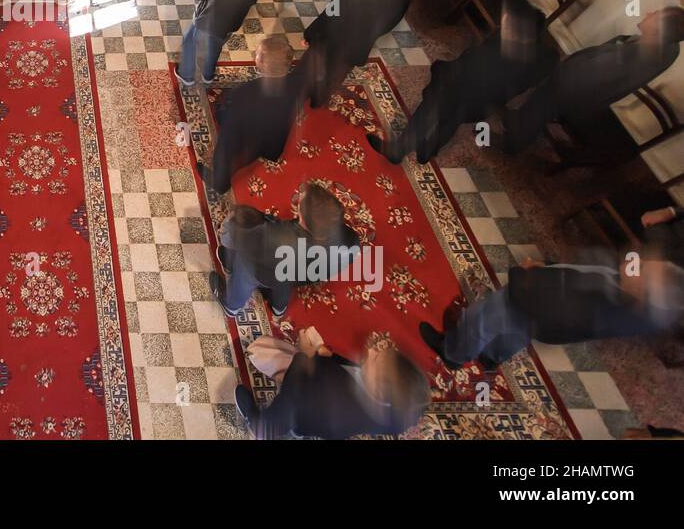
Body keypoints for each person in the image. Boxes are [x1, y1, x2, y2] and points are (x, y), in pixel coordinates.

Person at [368, 0, 556, 164]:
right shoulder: (542, 57)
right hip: (481, 94)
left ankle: (399, 150)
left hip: (468, 86)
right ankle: (429, 149)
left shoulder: (524, 52)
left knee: (432, 109)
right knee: (452, 118)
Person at [420, 255, 684, 371]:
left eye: (642, 269)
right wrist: (548, 265)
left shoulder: (610, 307)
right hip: (542, 314)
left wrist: (521, 276)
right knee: (517, 332)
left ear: (643, 296)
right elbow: (579, 273)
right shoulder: (630, 300)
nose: (636, 262)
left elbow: (547, 302)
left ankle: (453, 352)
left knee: (481, 318)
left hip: (532, 304)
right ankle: (491, 356)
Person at [503, 7, 684, 153]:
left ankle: (514, 140)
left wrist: (559, 70)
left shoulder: (640, 56)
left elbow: (590, 76)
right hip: (583, 86)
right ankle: (520, 121)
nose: (649, 13)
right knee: (541, 107)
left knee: (541, 106)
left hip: (573, 87)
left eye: (655, 15)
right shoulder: (669, 48)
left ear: (659, 29)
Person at [210, 183, 361, 318]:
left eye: (302, 200)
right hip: (299, 275)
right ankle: (278, 307)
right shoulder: (351, 241)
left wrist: (233, 224)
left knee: (245, 266)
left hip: (267, 270)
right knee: (284, 280)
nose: (300, 194)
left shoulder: (276, 236)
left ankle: (231, 305)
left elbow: (239, 241)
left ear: (302, 219)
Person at [234, 341, 430, 439]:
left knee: (286, 410)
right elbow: (355, 371)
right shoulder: (397, 412)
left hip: (305, 405)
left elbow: (295, 386)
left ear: (379, 389)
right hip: (326, 422)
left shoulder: (328, 392)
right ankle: (297, 429)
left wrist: (305, 356)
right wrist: (331, 357)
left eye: (376, 358)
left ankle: (259, 425)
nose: (371, 350)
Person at [300, 0, 411, 107]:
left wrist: (308, 35)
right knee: (334, 77)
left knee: (309, 72)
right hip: (357, 49)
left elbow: (325, 20)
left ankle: (301, 96)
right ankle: (319, 101)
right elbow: (390, 23)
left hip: (329, 44)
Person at [197, 35, 305, 195]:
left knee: (225, 151)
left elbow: (229, 122)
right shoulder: (298, 83)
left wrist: (220, 114)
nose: (255, 54)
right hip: (272, 135)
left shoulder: (243, 93)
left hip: (244, 135)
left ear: (260, 63)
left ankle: (220, 182)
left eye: (257, 53)